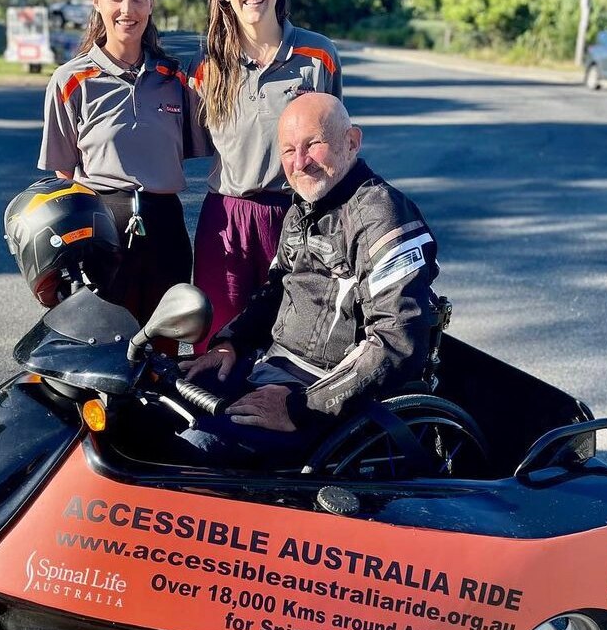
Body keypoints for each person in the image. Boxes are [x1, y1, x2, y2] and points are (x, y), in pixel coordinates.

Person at [177, 93, 438, 467]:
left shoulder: (381, 214)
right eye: (288, 150)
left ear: (351, 141)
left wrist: (302, 407)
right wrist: (230, 343)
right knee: (152, 402)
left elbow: (398, 341)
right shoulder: (304, 205)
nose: (299, 163)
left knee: (195, 448)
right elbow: (275, 292)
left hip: (322, 394)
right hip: (270, 366)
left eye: (313, 144)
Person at [188, 0, 343, 350]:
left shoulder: (319, 56)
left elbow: (336, 155)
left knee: (295, 345)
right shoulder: (206, 66)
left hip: (298, 216)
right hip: (227, 220)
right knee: (219, 346)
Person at [38, 0, 199, 327]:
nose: (128, 8)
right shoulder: (70, 81)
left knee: (164, 345)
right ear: (96, 1)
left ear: (151, 4)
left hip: (166, 232)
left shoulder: (176, 79)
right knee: (106, 345)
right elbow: (64, 176)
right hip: (100, 234)